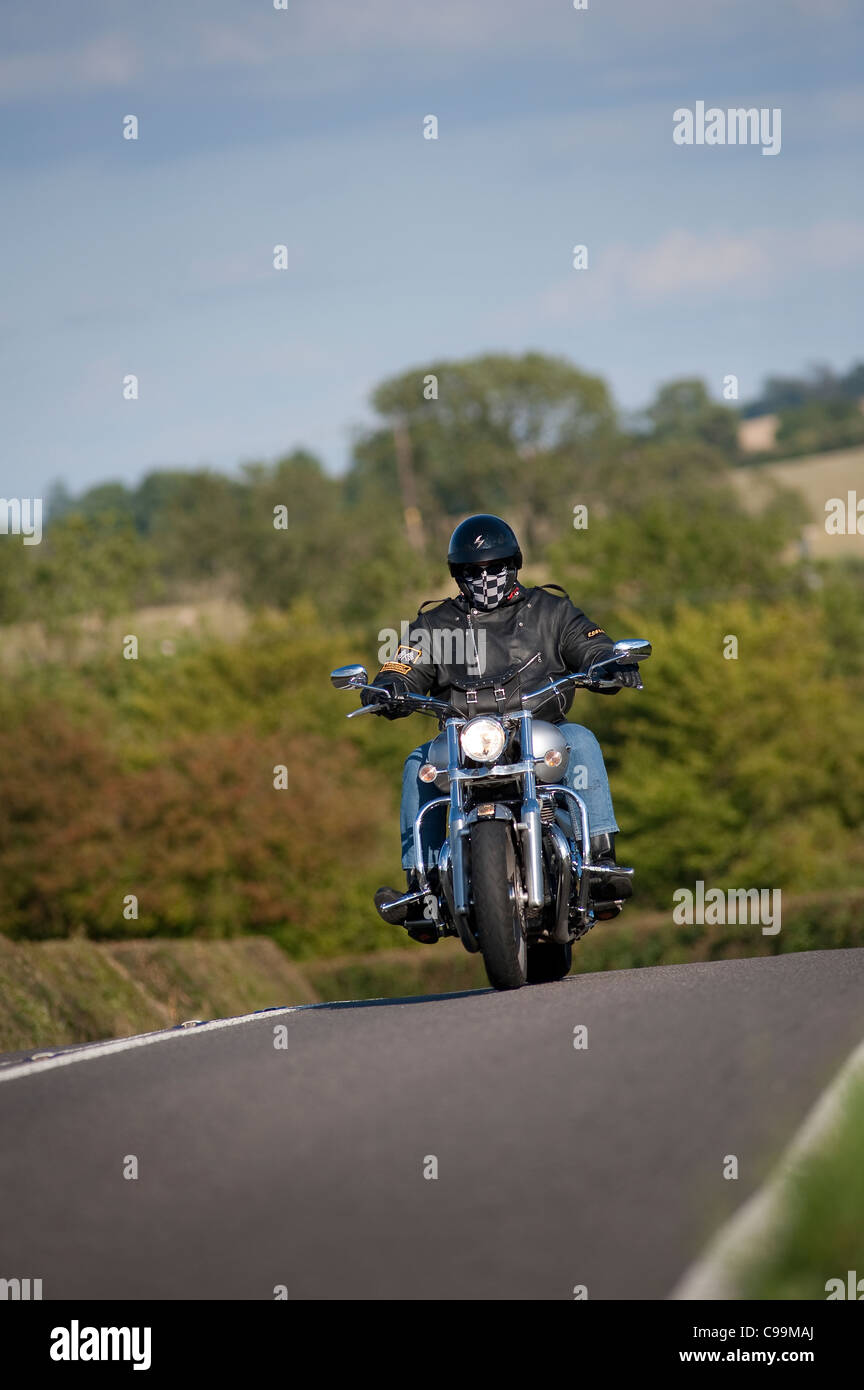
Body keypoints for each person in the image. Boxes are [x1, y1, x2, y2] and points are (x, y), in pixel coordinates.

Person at [362, 514, 642, 939]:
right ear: (458, 575)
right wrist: (388, 686)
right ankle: (420, 885)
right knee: (417, 763)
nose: (485, 577)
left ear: (514, 564)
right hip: (464, 741)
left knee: (581, 740)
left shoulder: (551, 611)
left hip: (541, 733)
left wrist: (606, 661)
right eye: (473, 571)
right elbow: (405, 664)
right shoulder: (436, 625)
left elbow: (589, 642)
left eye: (495, 567)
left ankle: (599, 863)